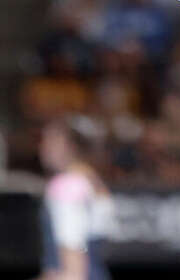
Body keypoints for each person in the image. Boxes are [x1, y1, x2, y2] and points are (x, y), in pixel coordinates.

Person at [35, 118, 113, 280]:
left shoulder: (66, 186)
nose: (43, 148)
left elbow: (73, 273)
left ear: (71, 147)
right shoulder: (95, 182)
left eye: (51, 141)